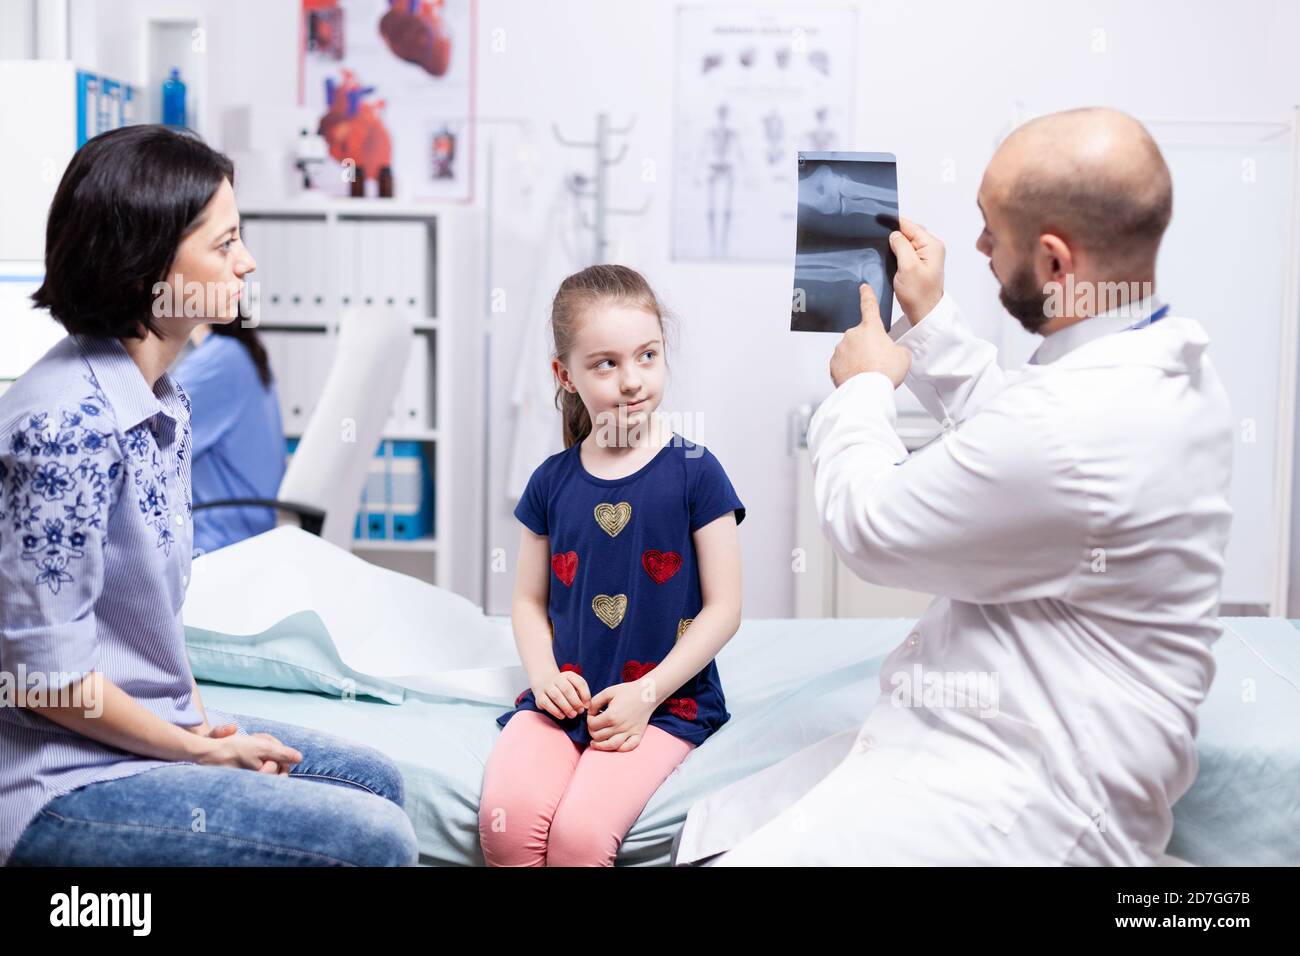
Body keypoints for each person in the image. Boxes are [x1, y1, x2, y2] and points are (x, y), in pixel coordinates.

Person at [677, 107, 1234, 866]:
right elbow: (1018, 428)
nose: (976, 247)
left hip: (1023, 793)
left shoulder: (1076, 424)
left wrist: (863, 390)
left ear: (1055, 262)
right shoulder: (1164, 366)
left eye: (989, 231)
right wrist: (929, 316)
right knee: (717, 824)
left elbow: (873, 527)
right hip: (990, 734)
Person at [0, 124, 418, 866]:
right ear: (146, 268)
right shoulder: (66, 425)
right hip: (57, 782)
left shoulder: (162, 400)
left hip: (142, 733)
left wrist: (199, 725)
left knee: (377, 781)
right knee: (373, 840)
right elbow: (46, 683)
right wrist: (198, 752)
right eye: (224, 244)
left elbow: (154, 631)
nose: (248, 261)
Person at [479, 264, 746, 866]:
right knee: (506, 823)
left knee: (578, 836)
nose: (632, 381)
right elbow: (526, 601)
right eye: (605, 364)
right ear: (564, 375)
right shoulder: (551, 481)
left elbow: (725, 608)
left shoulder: (696, 471)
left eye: (647, 356)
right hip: (566, 697)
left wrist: (645, 695)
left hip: (664, 704)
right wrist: (545, 676)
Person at [173, 319, 286, 555]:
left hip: (219, 542)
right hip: (251, 535)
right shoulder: (241, 353)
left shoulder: (219, 361)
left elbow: (147, 437)